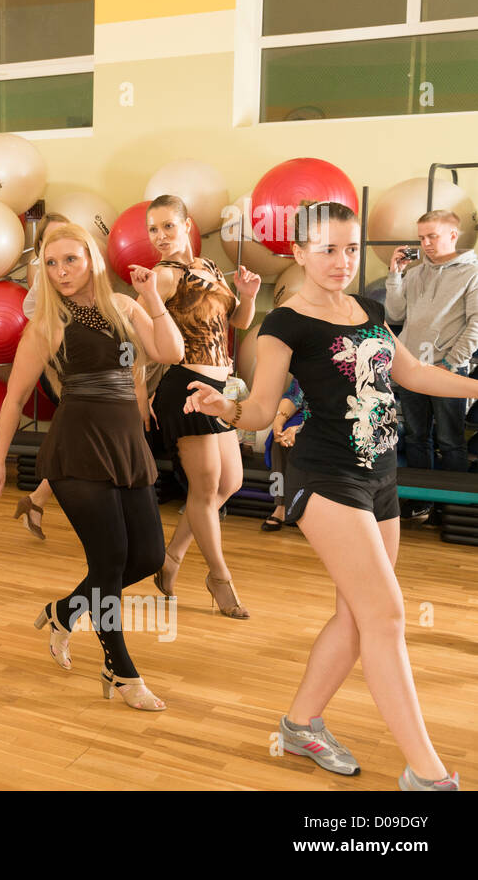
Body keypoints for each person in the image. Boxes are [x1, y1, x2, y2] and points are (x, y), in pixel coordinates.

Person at [185, 201, 472, 789]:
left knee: (355, 613)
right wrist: (227, 408)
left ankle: (299, 724)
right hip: (325, 477)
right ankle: (428, 775)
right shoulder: (284, 324)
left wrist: (475, 384)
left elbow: (410, 372)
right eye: (326, 250)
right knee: (386, 616)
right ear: (298, 253)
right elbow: (263, 408)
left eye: (349, 248)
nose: (342, 261)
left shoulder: (367, 308)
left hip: (380, 474)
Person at [0, 223, 184, 710]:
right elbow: (13, 400)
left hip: (125, 445)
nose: (61, 271)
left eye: (70, 259)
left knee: (149, 556)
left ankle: (63, 611)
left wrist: (152, 297)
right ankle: (120, 671)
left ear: (92, 258)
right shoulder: (47, 325)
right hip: (76, 449)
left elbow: (170, 352)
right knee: (110, 562)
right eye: (51, 264)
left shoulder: (124, 307)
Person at [145, 195, 262, 618]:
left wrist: (247, 296)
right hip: (188, 390)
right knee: (206, 486)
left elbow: (238, 323)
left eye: (167, 227)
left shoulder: (209, 267)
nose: (160, 237)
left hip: (223, 387)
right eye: (153, 229)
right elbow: (138, 336)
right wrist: (144, 390)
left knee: (229, 483)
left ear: (187, 224)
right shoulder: (161, 277)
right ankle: (219, 577)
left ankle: (171, 558)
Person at [385, 209, 478, 519]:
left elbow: (476, 323)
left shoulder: (472, 272)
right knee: (415, 437)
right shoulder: (415, 273)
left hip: (447, 369)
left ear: (453, 235)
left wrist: (452, 364)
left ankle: (455, 506)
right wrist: (395, 274)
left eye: (432, 236)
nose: (425, 243)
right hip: (412, 368)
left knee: (451, 439)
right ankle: (422, 501)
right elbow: (396, 316)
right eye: (421, 237)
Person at [16, 212, 70, 538]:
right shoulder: (45, 278)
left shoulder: (80, 269)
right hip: (61, 371)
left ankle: (36, 500)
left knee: (76, 440)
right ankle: (36, 500)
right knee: (76, 439)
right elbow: (31, 312)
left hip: (85, 370)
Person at [262, 378, 306, 531]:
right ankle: (280, 505)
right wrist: (278, 421)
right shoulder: (307, 365)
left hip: (330, 421)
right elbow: (294, 395)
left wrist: (299, 429)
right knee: (278, 441)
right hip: (302, 415)